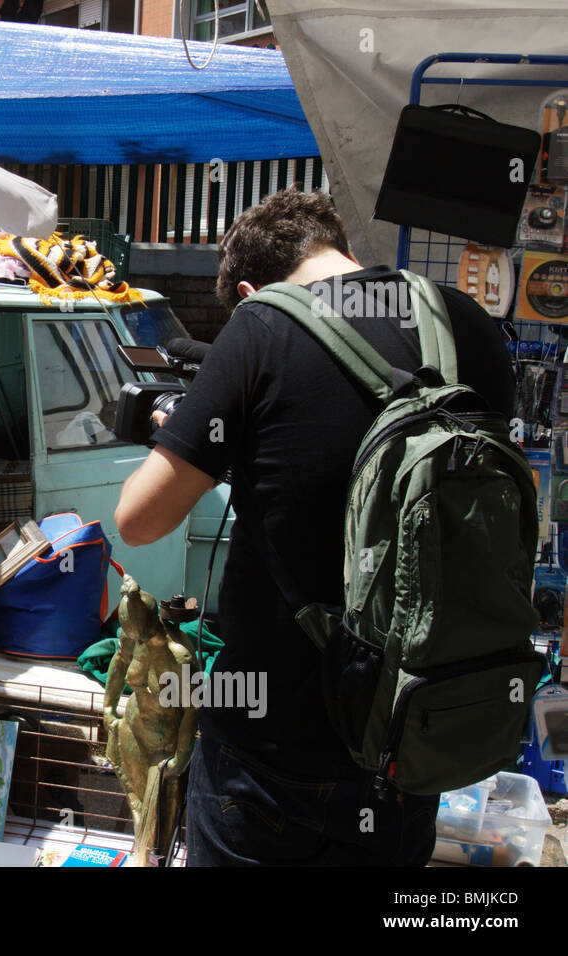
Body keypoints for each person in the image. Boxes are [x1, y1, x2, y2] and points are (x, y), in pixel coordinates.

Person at [113, 188, 515, 866]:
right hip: (410, 736)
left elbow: (139, 520)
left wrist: (208, 444)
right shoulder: (465, 324)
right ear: (343, 249)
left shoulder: (262, 326)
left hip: (272, 751)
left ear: (249, 289)